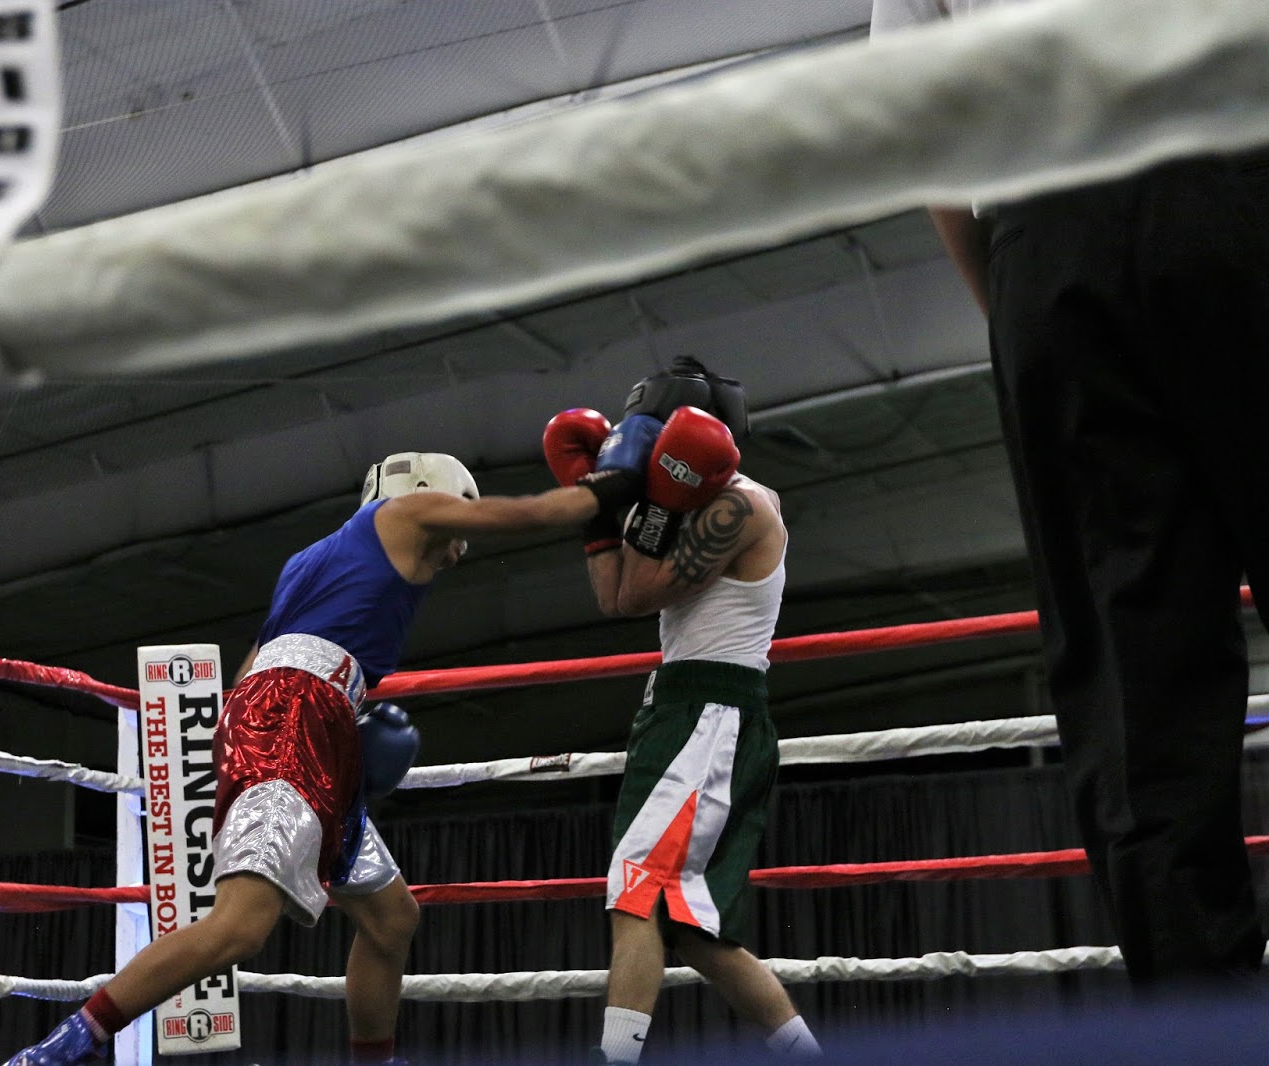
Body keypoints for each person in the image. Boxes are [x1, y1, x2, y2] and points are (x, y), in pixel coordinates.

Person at [2, 450, 646, 1065]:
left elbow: (254, 669)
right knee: (240, 928)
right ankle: (65, 1046)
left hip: (303, 717)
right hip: (295, 719)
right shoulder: (403, 513)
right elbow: (527, 514)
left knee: (391, 919)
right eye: (458, 525)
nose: (460, 550)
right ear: (432, 494)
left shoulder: (311, 561)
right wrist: (613, 484)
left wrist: (332, 736)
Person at [872, 0, 1269, 986]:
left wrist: (1026, 294)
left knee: (1134, 684)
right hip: (1235, 166)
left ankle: (1203, 1036)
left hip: (1048, 232)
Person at [544, 357, 821, 1061]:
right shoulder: (680, 500)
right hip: (683, 711)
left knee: (636, 892)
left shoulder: (743, 506)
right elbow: (613, 598)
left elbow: (638, 594)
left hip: (710, 711)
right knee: (693, 930)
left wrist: (654, 503)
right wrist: (599, 506)